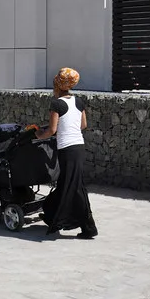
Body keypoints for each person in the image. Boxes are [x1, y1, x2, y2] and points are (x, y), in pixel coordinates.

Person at [34, 67, 98, 239]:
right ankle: (52, 216)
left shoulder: (56, 104)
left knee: (74, 187)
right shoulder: (78, 101)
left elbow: (51, 130)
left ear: (57, 85)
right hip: (79, 147)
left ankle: (88, 228)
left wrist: (38, 134)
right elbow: (83, 125)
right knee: (66, 184)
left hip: (67, 150)